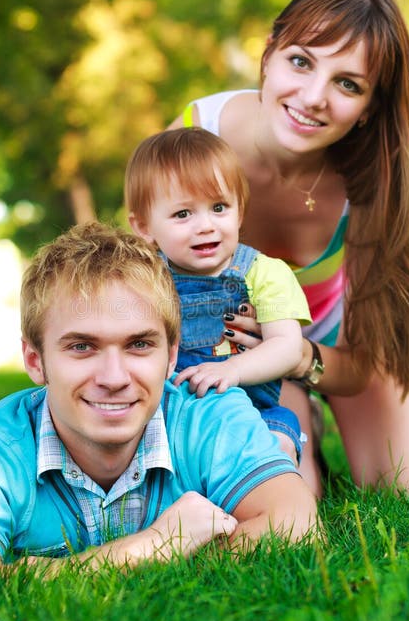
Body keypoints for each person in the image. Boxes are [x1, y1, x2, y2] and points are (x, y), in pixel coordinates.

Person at [168, 0, 409, 496]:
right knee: (288, 495)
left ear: (370, 107)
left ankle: (308, 396)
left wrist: (303, 359)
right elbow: (140, 286)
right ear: (269, 53)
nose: (313, 96)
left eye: (348, 84)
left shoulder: (378, 180)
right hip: (233, 345)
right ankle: (304, 419)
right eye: (301, 62)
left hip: (340, 340)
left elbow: (375, 355)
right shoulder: (195, 136)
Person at [0, 222, 318, 593]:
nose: (114, 377)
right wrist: (152, 548)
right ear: (35, 361)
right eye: (82, 347)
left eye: (139, 344)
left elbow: (297, 526)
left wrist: (35, 577)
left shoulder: (209, 413)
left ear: (172, 356)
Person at [125, 126, 311, 464]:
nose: (205, 225)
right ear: (145, 228)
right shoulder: (142, 279)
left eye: (219, 207)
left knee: (277, 443)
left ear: (240, 211)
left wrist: (234, 369)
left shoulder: (262, 272)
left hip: (254, 415)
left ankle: (271, 494)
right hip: (168, 421)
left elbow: (287, 346)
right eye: (183, 214)